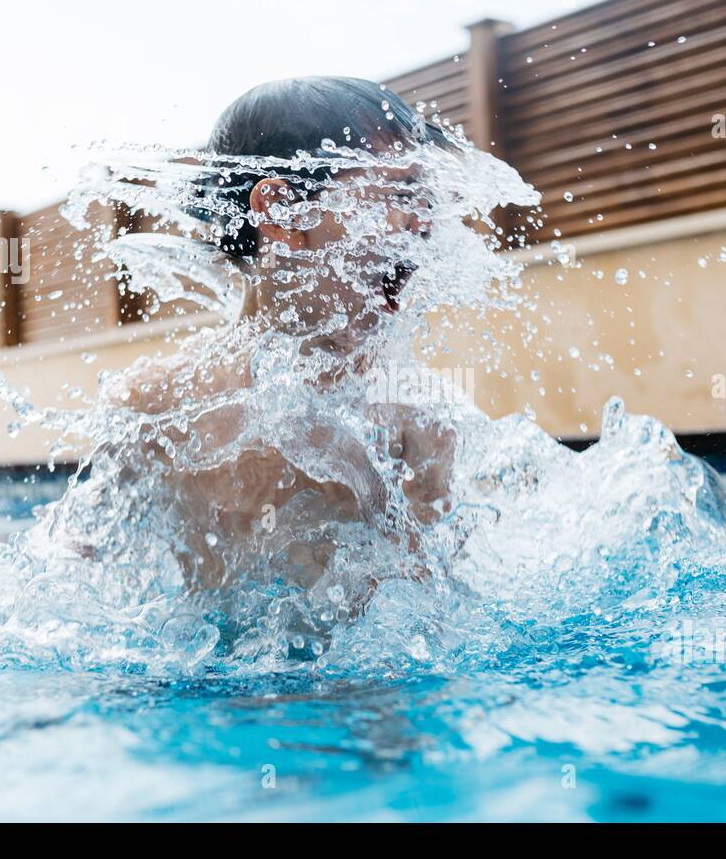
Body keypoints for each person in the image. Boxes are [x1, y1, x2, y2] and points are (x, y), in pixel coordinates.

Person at [100, 77, 458, 600]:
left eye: (427, 198)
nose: (424, 222)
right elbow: (81, 562)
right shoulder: (151, 406)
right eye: (401, 193)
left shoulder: (413, 415)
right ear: (284, 213)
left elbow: (435, 600)